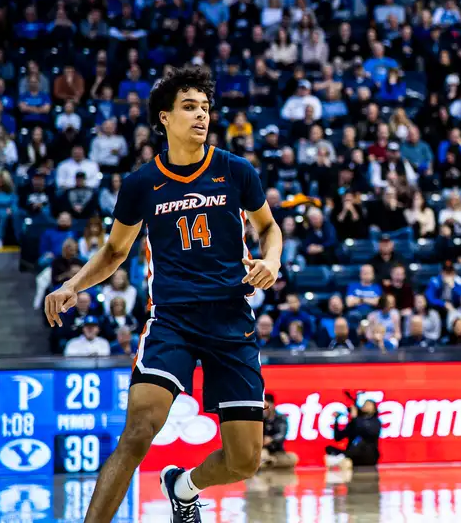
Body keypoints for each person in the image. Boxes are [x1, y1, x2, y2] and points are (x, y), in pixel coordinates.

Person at [42, 66, 282, 523]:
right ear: (164, 118)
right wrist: (72, 285)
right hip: (172, 320)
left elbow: (269, 228)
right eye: (189, 107)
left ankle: (183, 485)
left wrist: (270, 262)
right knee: (137, 432)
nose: (201, 116)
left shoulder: (235, 170)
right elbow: (114, 251)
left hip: (231, 319)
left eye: (205, 108)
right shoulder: (140, 185)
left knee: (245, 460)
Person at [325, 397, 382, 471]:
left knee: (360, 442)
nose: (366, 406)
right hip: (353, 454)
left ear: (374, 409)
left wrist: (355, 418)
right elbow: (338, 437)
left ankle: (343, 457)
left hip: (368, 455)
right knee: (329, 449)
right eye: (365, 405)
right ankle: (343, 457)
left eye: (369, 405)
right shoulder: (354, 423)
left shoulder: (375, 422)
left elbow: (367, 432)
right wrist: (336, 420)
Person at [258, 394, 298, 470]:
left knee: (293, 458)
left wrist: (272, 439)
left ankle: (269, 462)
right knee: (263, 455)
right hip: (263, 450)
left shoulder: (281, 418)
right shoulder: (260, 418)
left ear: (272, 404)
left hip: (277, 451)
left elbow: (282, 434)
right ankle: (267, 461)